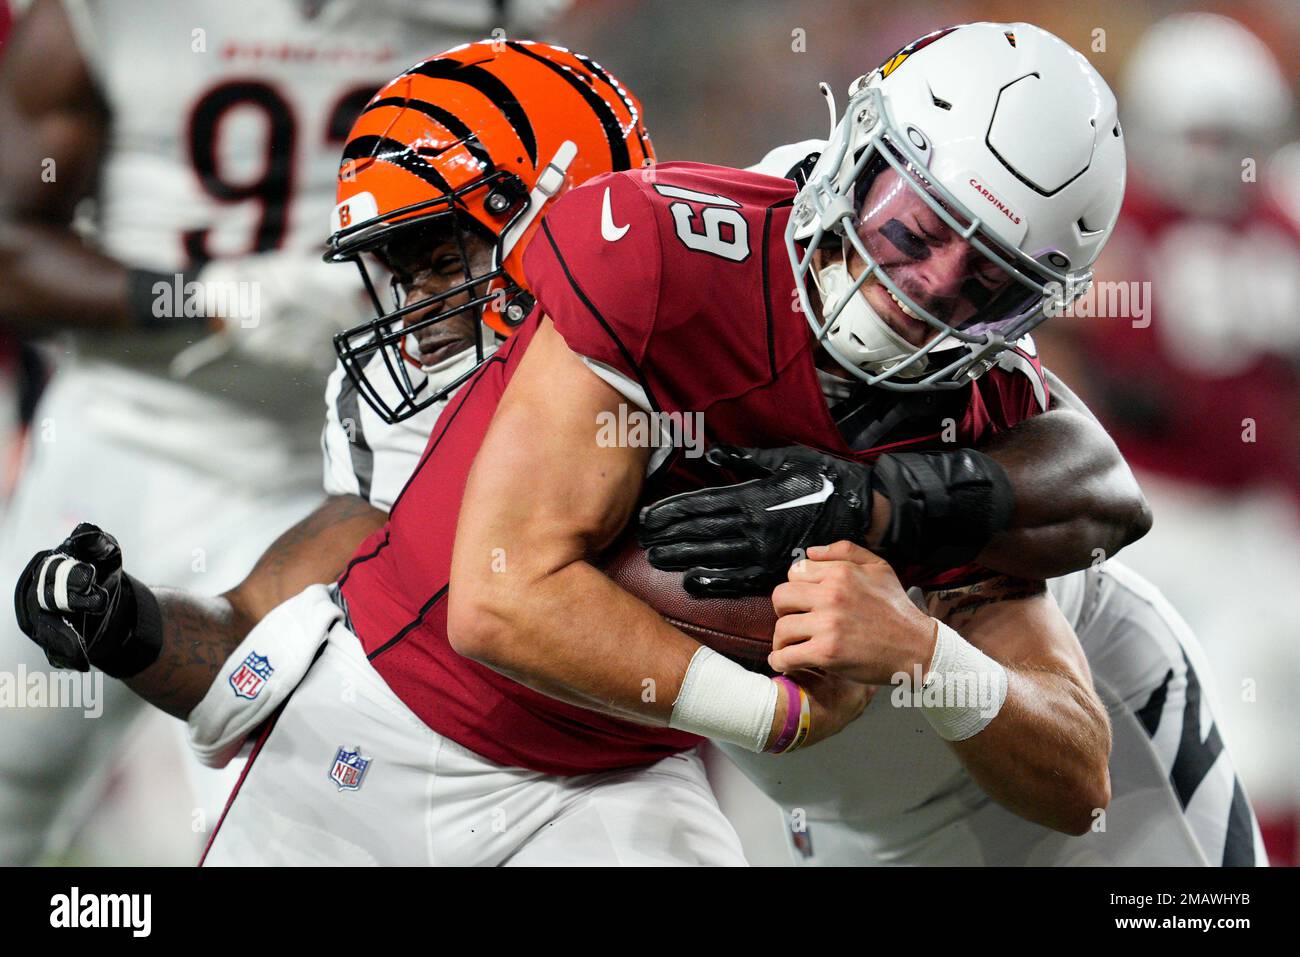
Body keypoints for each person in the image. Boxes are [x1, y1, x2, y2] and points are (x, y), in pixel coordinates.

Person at [19, 24, 1154, 865]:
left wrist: (910, 620)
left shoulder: (975, 411)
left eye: (989, 284)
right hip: (397, 750)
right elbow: (403, 613)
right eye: (909, 230)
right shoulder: (664, 258)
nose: (923, 291)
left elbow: (1093, 528)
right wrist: (128, 627)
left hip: (620, 793)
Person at [0, 0, 561, 864]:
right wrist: (207, 299)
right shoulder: (108, 16)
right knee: (13, 768)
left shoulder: (483, 16)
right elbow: (8, 248)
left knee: (295, 808)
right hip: (117, 435)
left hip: (339, 468)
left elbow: (570, 208)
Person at [1034, 12, 1300, 858]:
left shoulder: (1274, 217)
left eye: (1237, 137)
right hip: (1148, 511)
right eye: (1205, 133)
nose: (1220, 157)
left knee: (1265, 739)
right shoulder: (1121, 218)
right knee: (1145, 726)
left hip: (1256, 520)